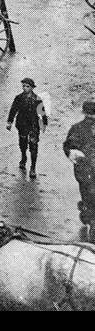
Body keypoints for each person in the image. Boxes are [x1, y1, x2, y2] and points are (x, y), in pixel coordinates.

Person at [62, 101, 95, 242]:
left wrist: (72, 153)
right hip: (86, 170)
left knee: (88, 194)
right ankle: (92, 220)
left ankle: (88, 212)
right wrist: (74, 154)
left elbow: (68, 147)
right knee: (90, 193)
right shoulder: (78, 129)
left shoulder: (76, 128)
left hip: (84, 171)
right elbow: (69, 147)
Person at [6, 78, 48, 179]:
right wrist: (9, 122)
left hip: (34, 125)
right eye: (23, 86)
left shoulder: (37, 99)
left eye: (27, 86)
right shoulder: (18, 98)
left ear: (32, 87)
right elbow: (13, 110)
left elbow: (42, 112)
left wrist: (44, 123)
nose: (25, 88)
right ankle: (23, 157)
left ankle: (33, 167)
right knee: (23, 143)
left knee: (33, 146)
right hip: (22, 124)